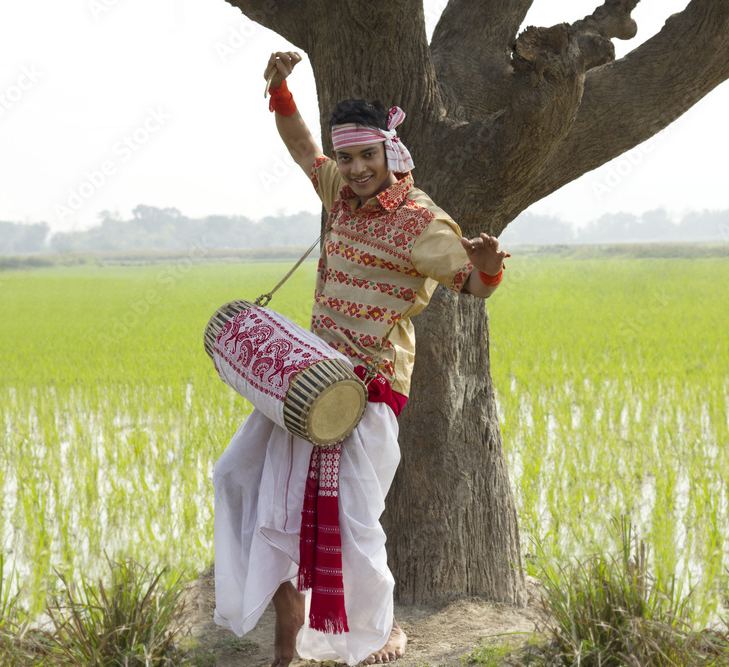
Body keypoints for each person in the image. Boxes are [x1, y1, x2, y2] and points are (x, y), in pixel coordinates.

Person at [212, 50, 508, 667]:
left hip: (368, 390)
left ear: (389, 153)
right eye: (345, 158)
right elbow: (299, 148)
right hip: (307, 381)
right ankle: (288, 634)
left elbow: (473, 289)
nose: (353, 169)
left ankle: (378, 634)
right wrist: (280, 90)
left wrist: (486, 263)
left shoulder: (420, 221)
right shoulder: (337, 194)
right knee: (243, 480)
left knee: (352, 519)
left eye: (365, 156)